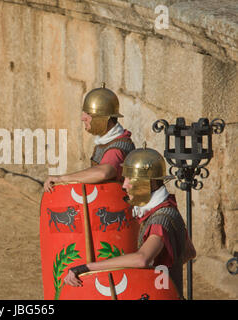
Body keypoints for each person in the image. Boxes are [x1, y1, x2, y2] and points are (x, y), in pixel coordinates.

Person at [64, 146, 196, 298]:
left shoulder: (160, 220)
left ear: (149, 182)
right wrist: (163, 269)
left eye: (130, 178)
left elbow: (142, 259)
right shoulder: (168, 209)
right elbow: (189, 251)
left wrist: (88, 267)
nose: (124, 185)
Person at [43, 83, 135, 192]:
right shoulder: (108, 141)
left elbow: (103, 173)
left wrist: (61, 179)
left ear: (104, 118)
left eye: (88, 113)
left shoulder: (116, 149)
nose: (83, 118)